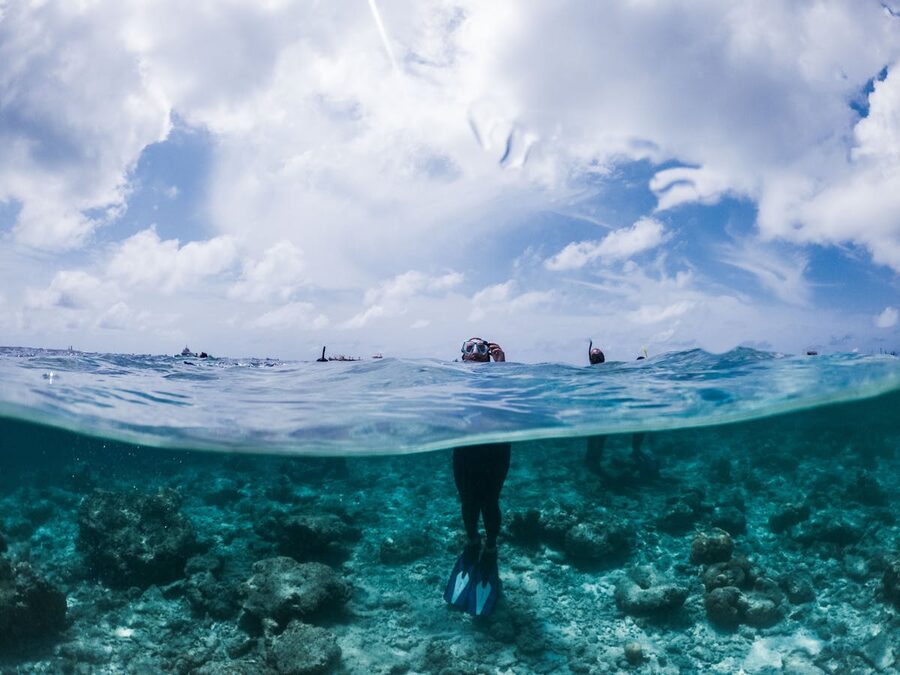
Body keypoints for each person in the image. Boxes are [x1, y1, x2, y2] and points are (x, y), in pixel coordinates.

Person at [444, 338, 510, 617]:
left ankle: (491, 548)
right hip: (465, 449)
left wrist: (502, 367)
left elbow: (513, 400)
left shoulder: (501, 377)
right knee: (468, 499)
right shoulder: (453, 379)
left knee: (490, 501)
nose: (475, 353)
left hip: (496, 447)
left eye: (481, 348)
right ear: (461, 355)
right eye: (469, 348)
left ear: (489, 355)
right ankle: (472, 542)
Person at [584, 343, 658, 479]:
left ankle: (635, 451)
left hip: (614, 408)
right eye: (595, 354)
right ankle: (594, 465)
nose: (596, 354)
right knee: (597, 438)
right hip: (602, 412)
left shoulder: (610, 368)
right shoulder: (591, 372)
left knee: (639, 421)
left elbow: (627, 372)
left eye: (598, 353)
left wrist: (640, 364)